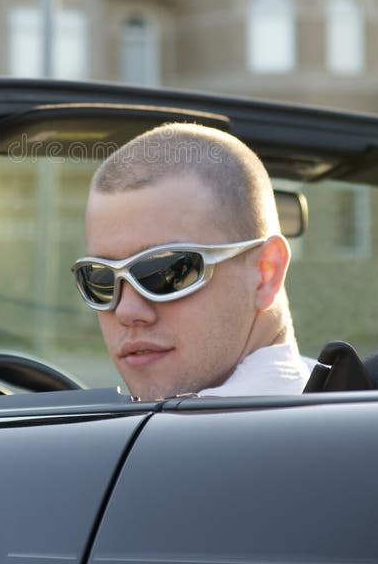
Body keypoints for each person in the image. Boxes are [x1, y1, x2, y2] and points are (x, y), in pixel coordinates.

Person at [72, 122, 314, 400]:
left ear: (266, 272)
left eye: (165, 271)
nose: (126, 311)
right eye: (99, 278)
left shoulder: (221, 438)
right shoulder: (331, 398)